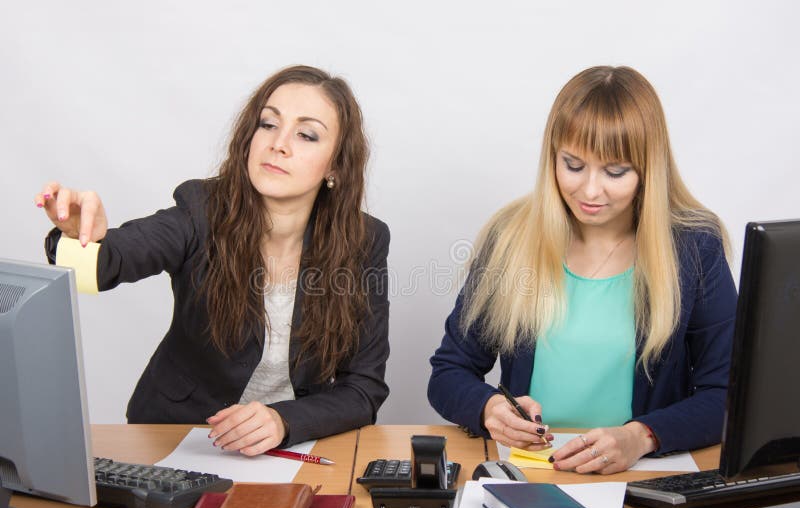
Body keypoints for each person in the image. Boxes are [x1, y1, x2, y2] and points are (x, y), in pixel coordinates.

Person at [35, 65, 390, 455]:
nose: (279, 144)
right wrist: (78, 236)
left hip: (291, 448)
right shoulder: (200, 210)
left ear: (336, 167)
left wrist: (284, 420)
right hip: (178, 438)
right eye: (268, 125)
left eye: (306, 134)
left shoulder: (364, 241)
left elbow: (363, 389)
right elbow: (106, 265)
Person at [427, 65, 737, 474]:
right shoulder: (510, 237)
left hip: (639, 479)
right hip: (529, 473)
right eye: (573, 165)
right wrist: (487, 407)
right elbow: (449, 372)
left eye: (615, 172)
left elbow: (726, 393)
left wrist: (642, 436)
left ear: (648, 170)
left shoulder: (695, 247)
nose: (590, 191)